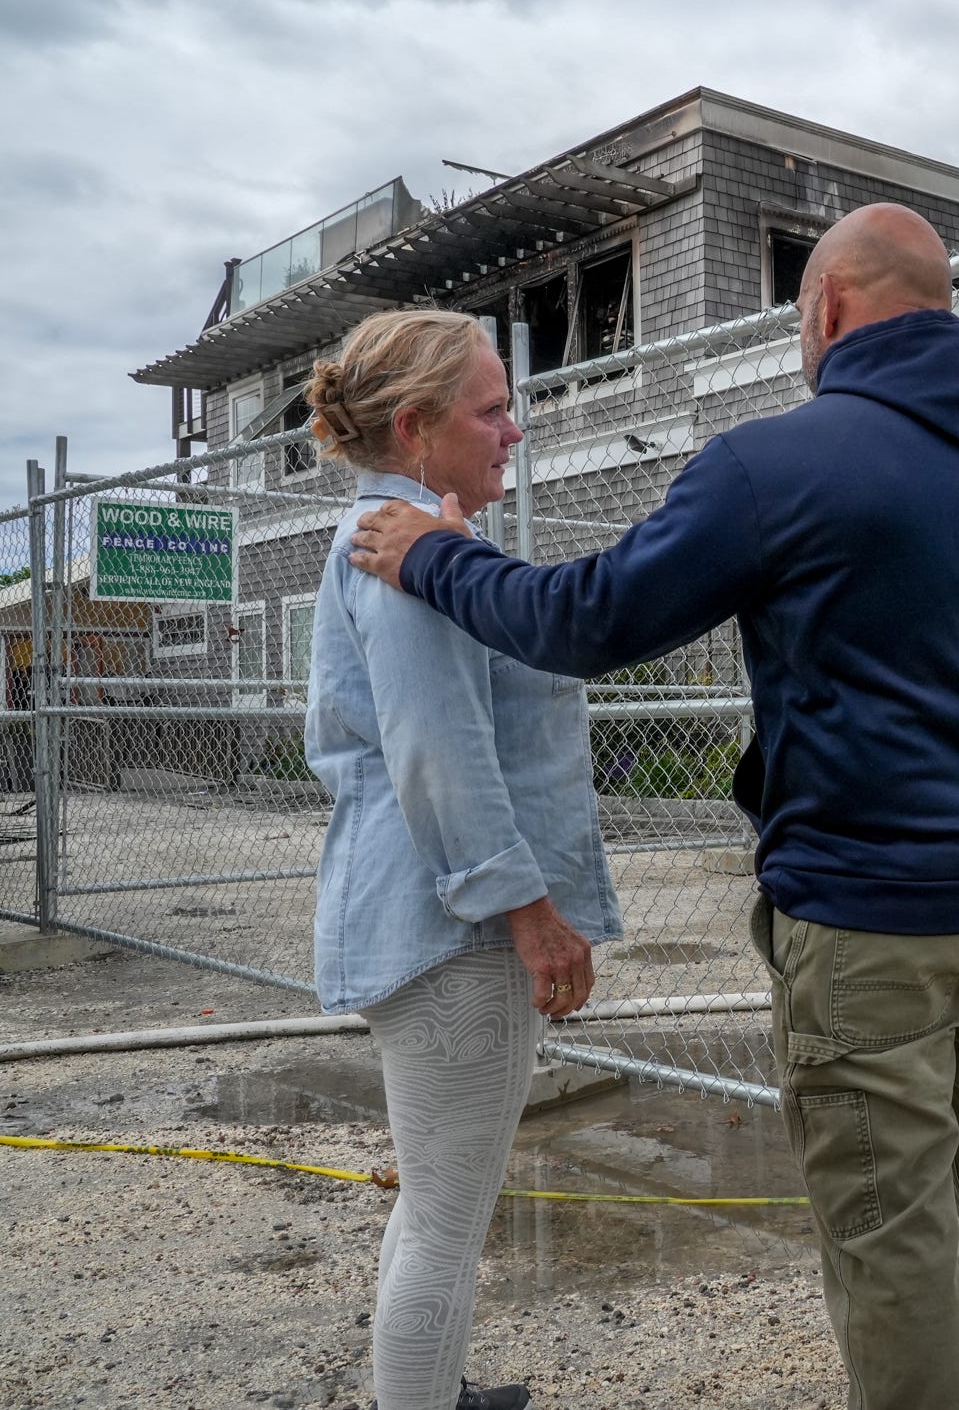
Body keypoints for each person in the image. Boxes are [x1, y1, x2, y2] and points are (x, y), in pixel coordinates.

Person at [349, 203, 959, 1410]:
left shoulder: (775, 466)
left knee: (892, 1221)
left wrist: (435, 556)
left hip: (862, 920)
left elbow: (593, 619)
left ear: (825, 311)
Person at [301, 308, 622, 1410]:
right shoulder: (401, 554)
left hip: (430, 917)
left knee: (435, 1195)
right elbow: (440, 752)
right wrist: (530, 911)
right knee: (446, 1215)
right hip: (457, 930)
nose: (514, 430)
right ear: (415, 426)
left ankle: (425, 1390)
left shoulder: (408, 538)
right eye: (492, 409)